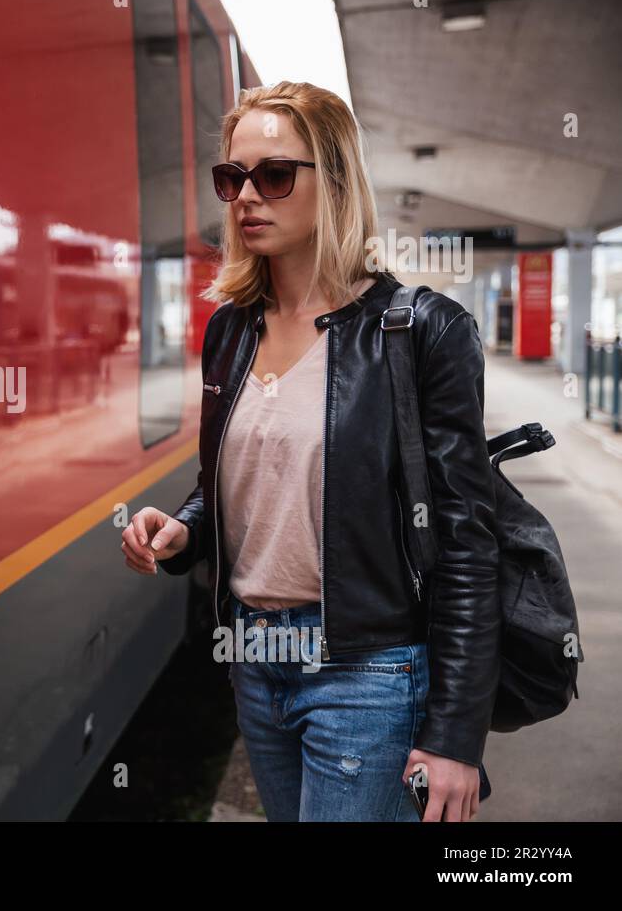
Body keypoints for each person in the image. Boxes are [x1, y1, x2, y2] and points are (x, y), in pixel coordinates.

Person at [120, 82, 500, 822]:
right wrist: (185, 529)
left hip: (368, 676)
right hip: (254, 664)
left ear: (335, 181)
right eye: (232, 178)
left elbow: (466, 543)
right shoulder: (229, 331)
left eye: (274, 174)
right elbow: (225, 481)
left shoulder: (422, 331)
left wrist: (456, 734)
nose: (246, 197)